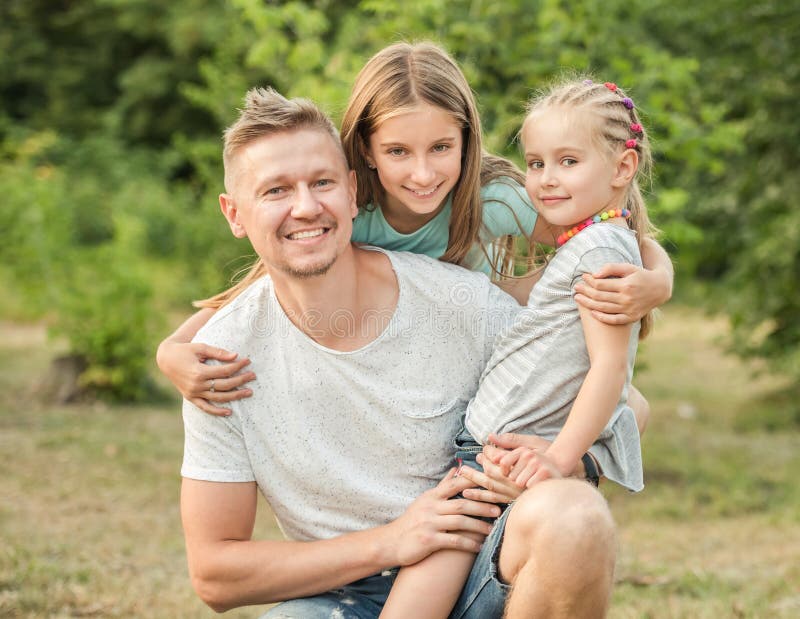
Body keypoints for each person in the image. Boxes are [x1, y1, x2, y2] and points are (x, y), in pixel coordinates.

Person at [180, 86, 619, 618]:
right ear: (234, 213)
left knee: (575, 517)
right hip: (339, 593)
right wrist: (393, 541)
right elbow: (215, 574)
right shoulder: (219, 362)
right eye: (275, 191)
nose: (305, 207)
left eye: (321, 183)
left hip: (483, 570)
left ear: (349, 189)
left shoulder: (460, 302)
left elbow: (620, 400)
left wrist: (564, 466)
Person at [156, 42, 673, 415]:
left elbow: (604, 226)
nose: (423, 175)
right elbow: (265, 281)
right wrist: (172, 350)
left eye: (441, 149)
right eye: (398, 151)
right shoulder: (350, 212)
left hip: (463, 362)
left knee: (631, 406)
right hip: (378, 371)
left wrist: (657, 278)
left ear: (467, 141)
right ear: (366, 150)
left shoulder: (492, 201)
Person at [379, 77, 655, 619]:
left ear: (622, 168)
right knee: (434, 577)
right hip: (488, 447)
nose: (547, 180)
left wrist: (558, 458)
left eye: (568, 162)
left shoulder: (600, 251)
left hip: (493, 455)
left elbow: (609, 369)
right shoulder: (591, 238)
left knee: (420, 593)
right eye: (535, 163)